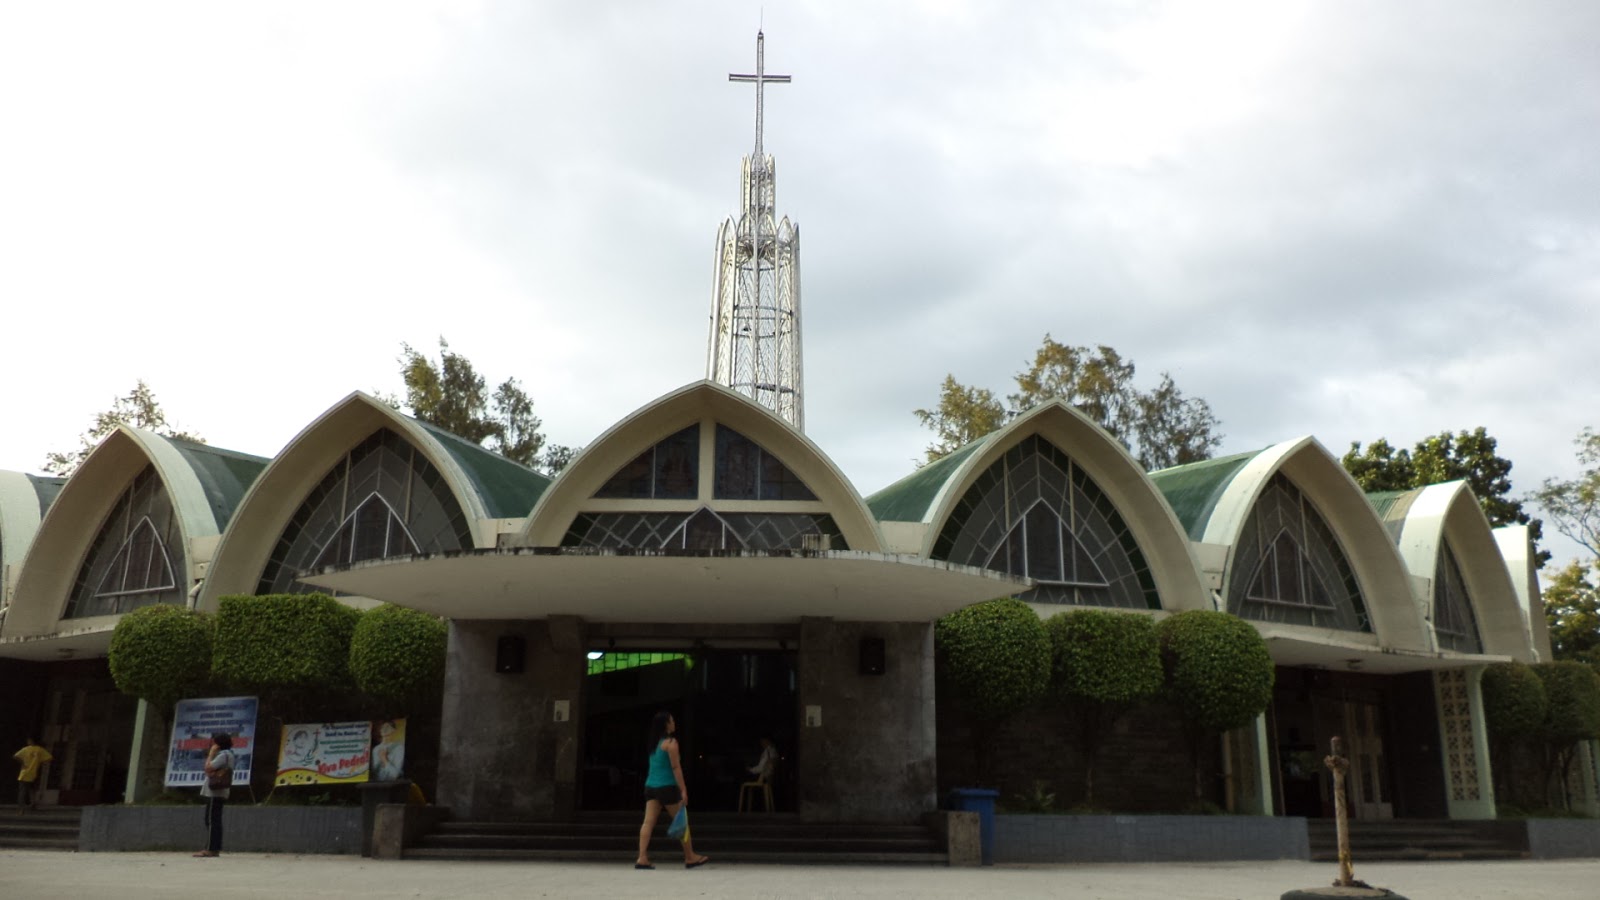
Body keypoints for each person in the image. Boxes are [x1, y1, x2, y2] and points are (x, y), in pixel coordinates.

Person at [634, 710, 709, 870]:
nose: (674, 723)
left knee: (648, 822)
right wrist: (683, 789)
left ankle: (642, 857)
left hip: (650, 787)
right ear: (666, 724)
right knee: (682, 822)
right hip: (667, 787)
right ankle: (690, 857)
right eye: (672, 720)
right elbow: (676, 768)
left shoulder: (653, 743)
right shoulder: (671, 743)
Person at [195, 733, 236, 858]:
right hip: (220, 791)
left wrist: (211, 753)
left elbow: (208, 768)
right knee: (213, 819)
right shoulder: (229, 755)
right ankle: (214, 847)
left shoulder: (223, 755)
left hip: (215, 792)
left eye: (214, 743)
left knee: (212, 820)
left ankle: (211, 849)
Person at [13, 737, 52, 811]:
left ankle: (21, 806)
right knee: (32, 790)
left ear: (30, 741)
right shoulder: (40, 750)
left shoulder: (26, 749)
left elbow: (15, 756)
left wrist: (23, 763)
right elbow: (49, 758)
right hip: (34, 773)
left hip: (25, 773)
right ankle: (32, 804)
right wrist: (40, 762)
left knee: (22, 790)